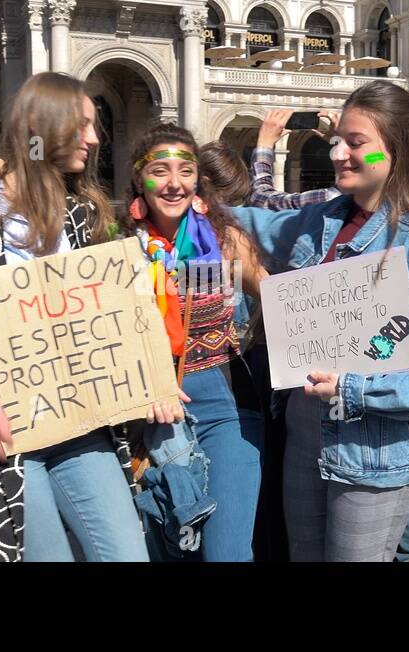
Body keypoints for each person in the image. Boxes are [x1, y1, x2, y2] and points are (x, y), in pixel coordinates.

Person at [0, 72, 184, 562]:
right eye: (81, 125)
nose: (94, 139)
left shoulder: (81, 215)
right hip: (4, 442)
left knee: (127, 554)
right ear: (38, 123)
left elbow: (113, 313)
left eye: (94, 125)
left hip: (82, 425)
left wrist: (152, 378)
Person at [232, 80, 409, 561]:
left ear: (397, 151)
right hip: (305, 442)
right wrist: (186, 209)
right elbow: (251, 219)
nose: (339, 153)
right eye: (337, 140)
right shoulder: (317, 220)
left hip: (374, 458)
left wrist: (356, 390)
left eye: (357, 143)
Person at [120, 122, 268, 561]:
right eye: (159, 171)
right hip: (149, 422)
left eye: (185, 171)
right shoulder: (117, 245)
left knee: (227, 552)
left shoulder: (225, 239)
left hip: (228, 413)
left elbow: (280, 298)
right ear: (139, 180)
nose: (173, 183)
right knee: (168, 551)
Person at [250, 109, 342, 210]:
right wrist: (346, 143)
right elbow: (363, 159)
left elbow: (262, 200)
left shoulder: (332, 198)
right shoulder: (353, 196)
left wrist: (265, 143)